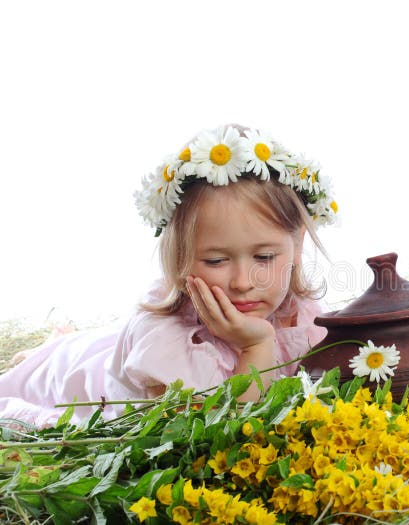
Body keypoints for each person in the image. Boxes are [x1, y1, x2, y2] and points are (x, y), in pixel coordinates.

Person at [0, 124, 337, 428]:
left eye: (264, 257)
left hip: (107, 347)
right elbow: (214, 433)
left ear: (297, 243)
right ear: (179, 258)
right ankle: (40, 357)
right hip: (88, 384)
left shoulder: (300, 314)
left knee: (89, 346)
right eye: (216, 260)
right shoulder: (166, 343)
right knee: (53, 371)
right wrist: (256, 346)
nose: (242, 282)